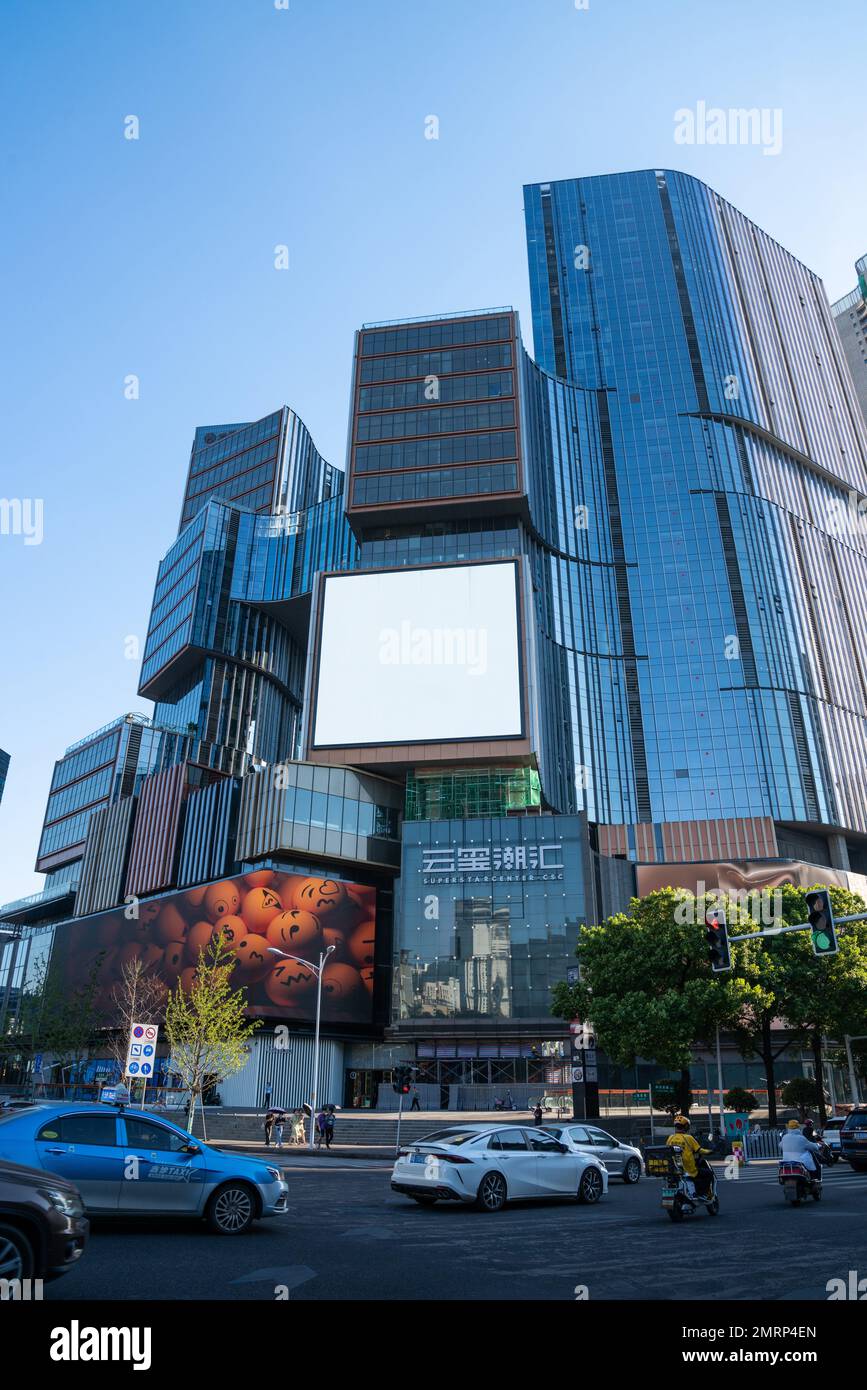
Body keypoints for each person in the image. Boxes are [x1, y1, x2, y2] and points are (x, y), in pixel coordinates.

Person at [666, 1114, 712, 1195]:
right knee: (708, 1173)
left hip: (673, 1168)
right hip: (687, 1168)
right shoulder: (688, 1138)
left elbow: (667, 1149)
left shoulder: (670, 1138)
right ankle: (703, 1193)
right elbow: (699, 1150)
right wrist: (710, 1151)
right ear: (686, 1127)